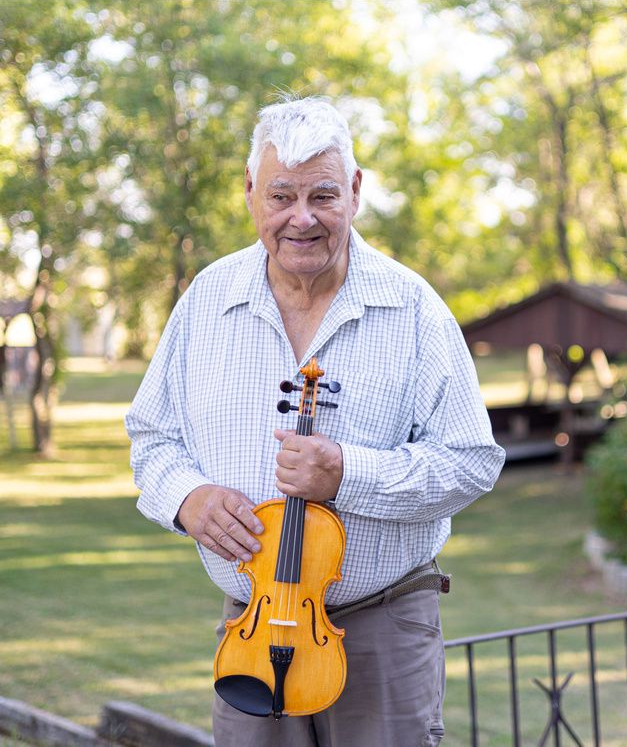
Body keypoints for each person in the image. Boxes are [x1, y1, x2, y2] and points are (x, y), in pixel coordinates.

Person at [125, 95, 505, 746]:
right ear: (251, 193)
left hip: (381, 626)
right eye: (281, 197)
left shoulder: (413, 308)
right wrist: (187, 498)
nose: (301, 218)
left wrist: (348, 474)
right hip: (250, 629)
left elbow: (470, 461)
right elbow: (153, 437)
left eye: (322, 196)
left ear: (354, 192)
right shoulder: (207, 301)